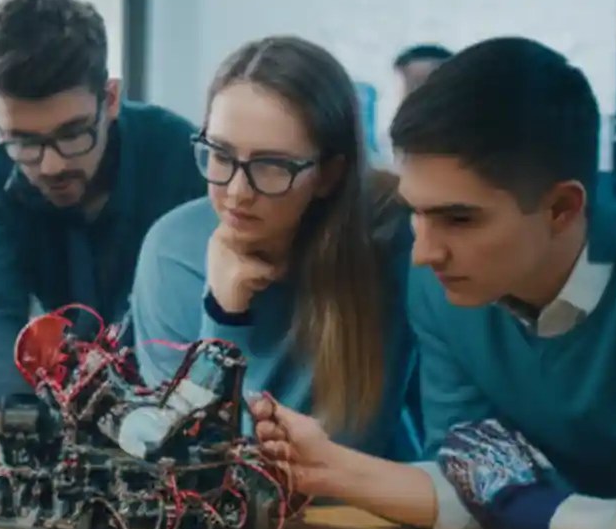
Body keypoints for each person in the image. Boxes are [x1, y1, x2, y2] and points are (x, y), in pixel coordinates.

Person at [251, 38, 616, 529]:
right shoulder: (440, 286)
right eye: (414, 212)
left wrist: (535, 505)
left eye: (458, 218)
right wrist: (327, 466)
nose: (425, 253)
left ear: (561, 209)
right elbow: (475, 474)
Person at [130, 36, 420, 463]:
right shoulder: (172, 250)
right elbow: (186, 460)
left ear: (328, 174)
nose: (237, 192)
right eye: (220, 155)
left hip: (364, 514)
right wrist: (223, 317)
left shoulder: (396, 240)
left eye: (272, 165)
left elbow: (340, 449)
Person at [0, 0, 204, 402]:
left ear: (110, 99)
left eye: (72, 134)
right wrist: (20, 421)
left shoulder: (180, 157)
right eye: (24, 141)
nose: (50, 166)